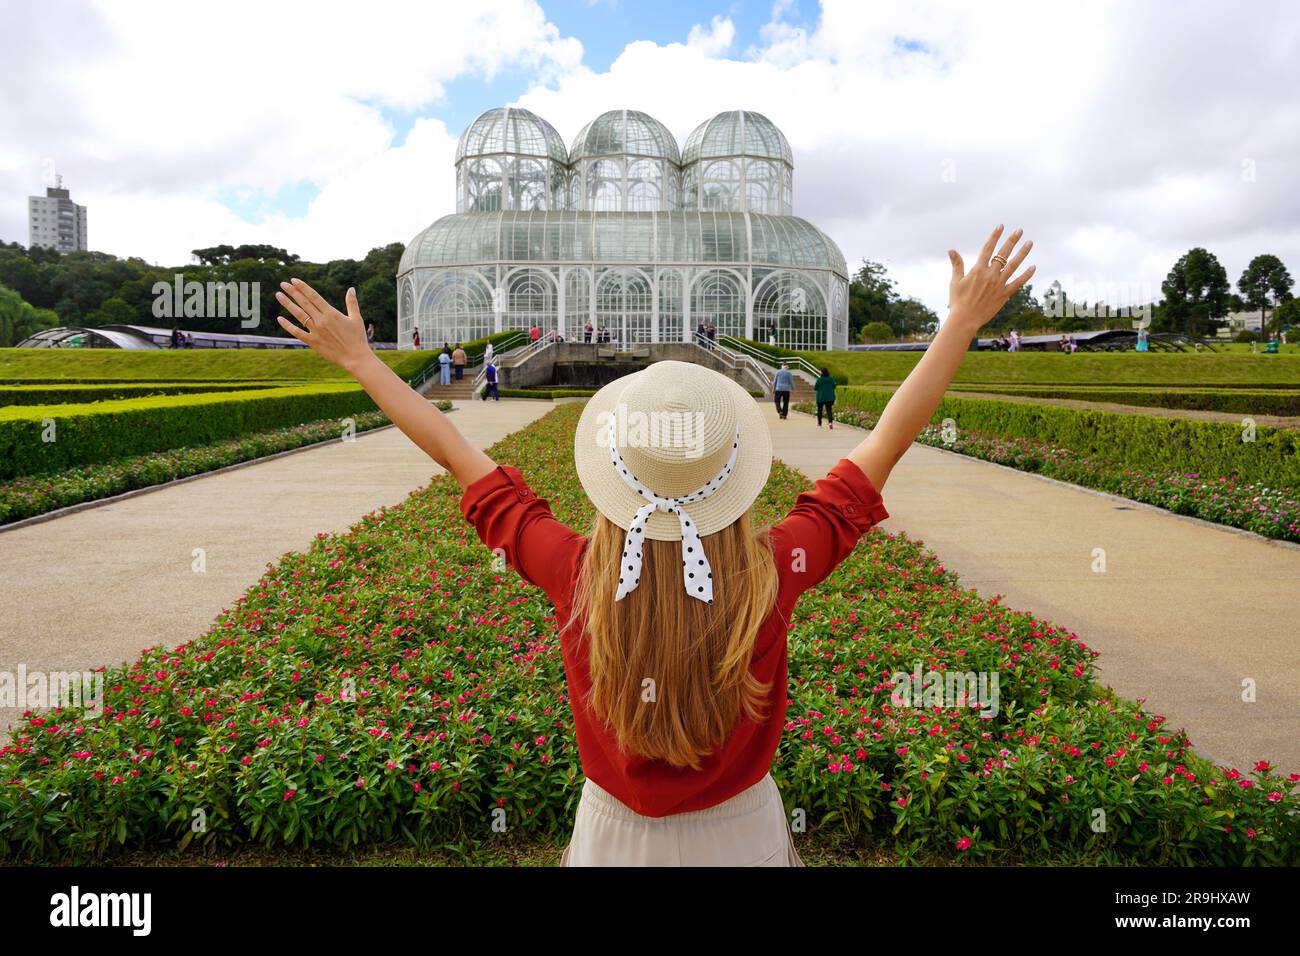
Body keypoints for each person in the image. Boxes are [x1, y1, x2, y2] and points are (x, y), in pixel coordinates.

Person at [272, 224, 1034, 867]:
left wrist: (363, 362)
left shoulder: (573, 570)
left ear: (615, 476)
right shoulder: (775, 570)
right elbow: (884, 445)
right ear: (732, 474)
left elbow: (456, 453)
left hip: (613, 840)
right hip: (744, 837)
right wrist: (960, 324)